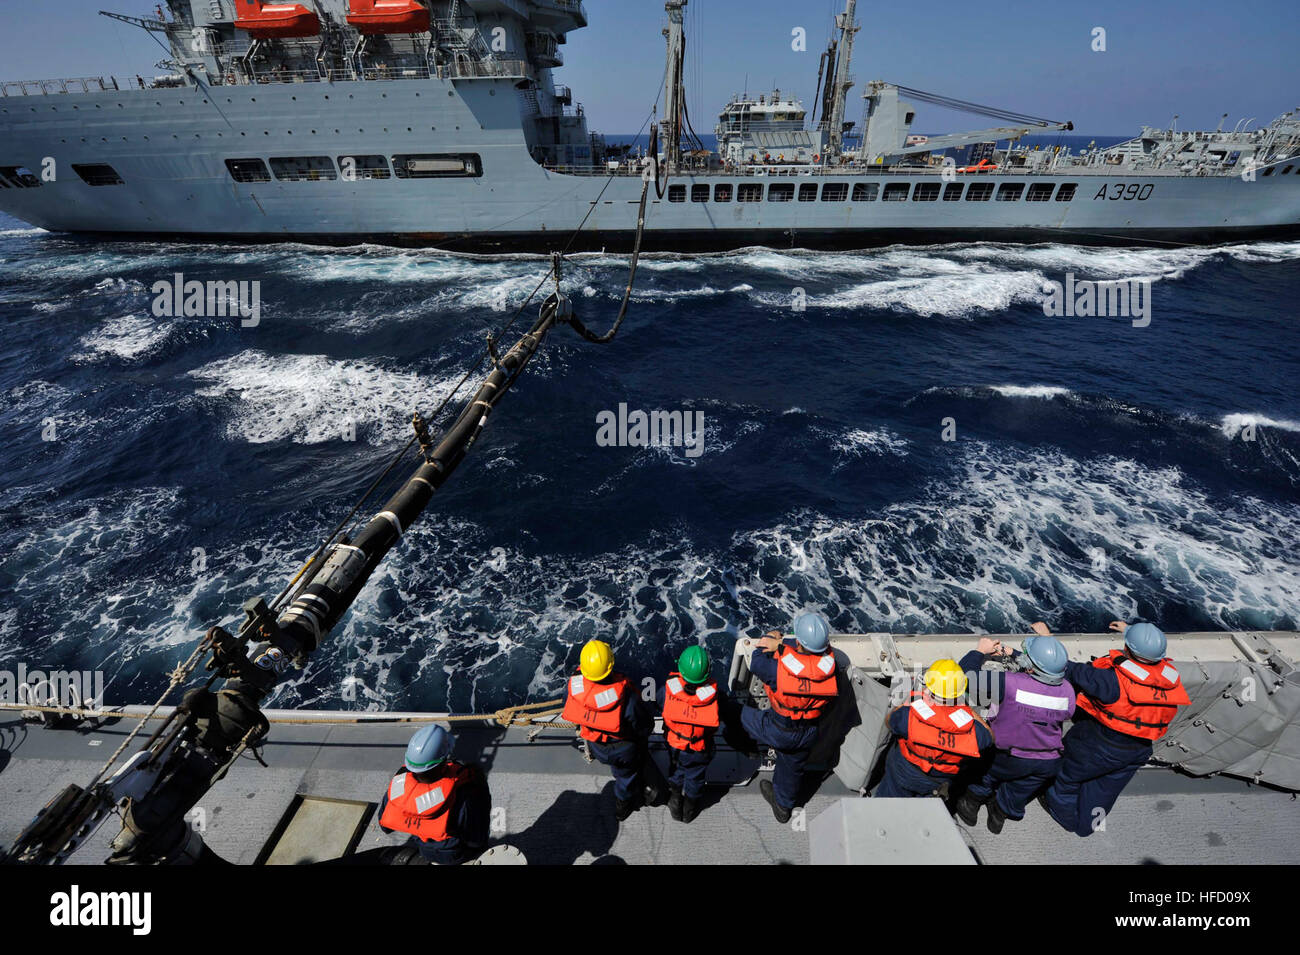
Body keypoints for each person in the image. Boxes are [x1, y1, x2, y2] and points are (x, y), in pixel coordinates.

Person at [1042, 620, 1191, 836]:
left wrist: (1047, 637)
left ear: (1127, 648)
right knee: (1105, 790)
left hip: (1101, 744)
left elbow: (1066, 668)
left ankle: (1065, 817)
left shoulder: (1110, 679)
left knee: (1065, 777)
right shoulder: (1169, 680)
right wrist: (1129, 630)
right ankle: (1088, 826)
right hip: (1139, 749)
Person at [952, 632, 1075, 833]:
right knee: (1019, 790)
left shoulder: (1008, 683)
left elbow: (966, 675)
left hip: (1008, 755)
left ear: (1030, 664)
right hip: (1048, 761)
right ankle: (999, 814)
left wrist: (980, 650)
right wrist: (1015, 654)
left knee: (984, 775)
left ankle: (970, 804)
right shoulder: (1068, 692)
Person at [730, 613, 839, 823]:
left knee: (734, 712)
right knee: (792, 768)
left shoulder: (776, 670)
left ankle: (748, 748)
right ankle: (783, 807)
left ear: (798, 641)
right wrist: (781, 644)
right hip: (808, 731)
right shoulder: (829, 669)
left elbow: (757, 662)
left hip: (778, 727)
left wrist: (769, 640)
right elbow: (809, 657)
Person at [561, 638, 663, 821]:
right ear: (610, 665)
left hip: (596, 747)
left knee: (621, 771)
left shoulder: (573, 688)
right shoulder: (627, 697)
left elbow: (567, 704)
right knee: (626, 777)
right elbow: (643, 725)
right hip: (623, 751)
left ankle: (623, 800)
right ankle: (622, 808)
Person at [875, 659, 995, 798]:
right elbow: (990, 736)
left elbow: (889, 721)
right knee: (926, 809)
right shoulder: (973, 731)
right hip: (938, 780)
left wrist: (913, 701)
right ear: (958, 694)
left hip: (904, 770)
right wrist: (966, 710)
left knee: (889, 799)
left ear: (929, 688)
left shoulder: (909, 715)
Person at [377, 725, 490, 865]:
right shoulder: (463, 791)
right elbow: (475, 840)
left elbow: (385, 825)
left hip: (424, 850)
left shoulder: (398, 784)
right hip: (456, 853)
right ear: (443, 761)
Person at [658, 645, 720, 824]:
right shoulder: (715, 698)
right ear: (707, 674)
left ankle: (675, 801)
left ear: (680, 670)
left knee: (676, 772)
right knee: (695, 778)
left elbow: (659, 703)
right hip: (700, 750)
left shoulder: (666, 691)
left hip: (675, 746)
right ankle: (689, 811)